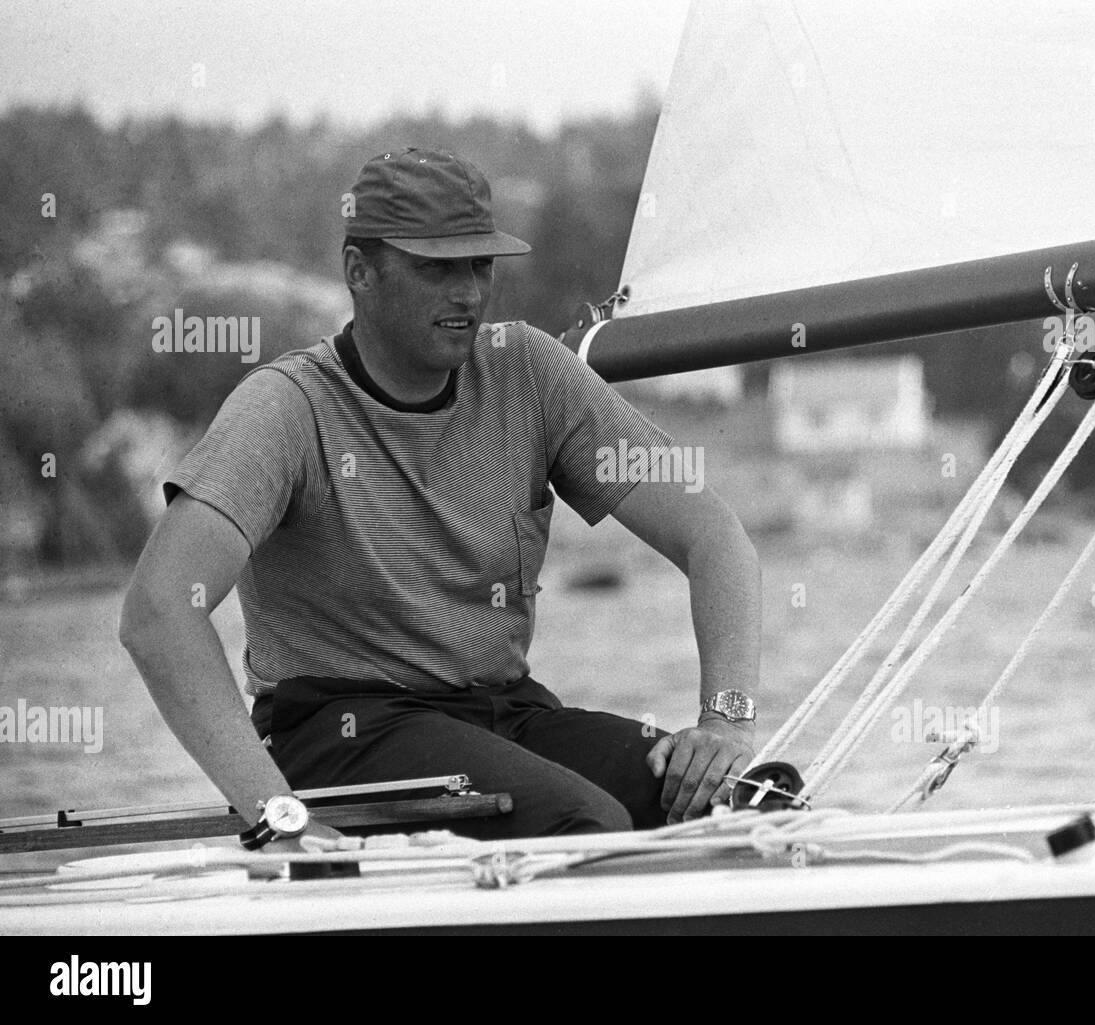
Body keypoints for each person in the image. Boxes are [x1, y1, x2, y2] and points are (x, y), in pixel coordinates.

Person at [119, 147, 762, 849]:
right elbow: (158, 614)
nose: (467, 293)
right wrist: (277, 815)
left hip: (502, 715)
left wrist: (725, 717)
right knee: (585, 825)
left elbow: (714, 534)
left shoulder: (531, 371)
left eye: (479, 265)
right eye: (437, 267)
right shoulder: (284, 408)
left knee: (744, 803)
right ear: (358, 272)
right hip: (342, 735)